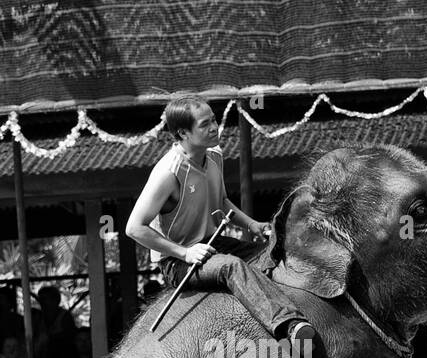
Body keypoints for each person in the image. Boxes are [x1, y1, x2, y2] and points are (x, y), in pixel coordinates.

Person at [125, 96, 313, 345]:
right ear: (183, 133)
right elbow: (134, 228)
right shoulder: (168, 173)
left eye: (213, 120)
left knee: (270, 251)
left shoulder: (214, 155)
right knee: (230, 267)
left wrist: (252, 225)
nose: (214, 127)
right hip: (177, 260)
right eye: (205, 124)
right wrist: (185, 253)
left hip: (213, 242)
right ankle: (290, 325)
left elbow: (221, 200)